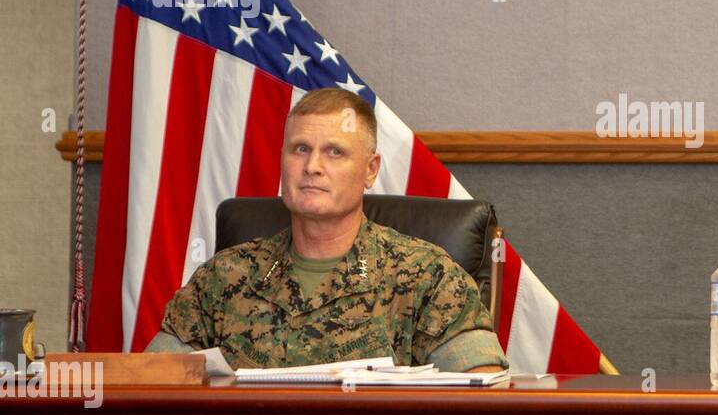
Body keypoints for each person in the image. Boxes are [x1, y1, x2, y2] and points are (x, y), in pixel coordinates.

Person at [146, 88, 508, 373]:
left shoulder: (427, 276)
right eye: (300, 149)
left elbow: (482, 390)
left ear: (370, 169)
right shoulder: (222, 279)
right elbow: (151, 381)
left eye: (334, 152)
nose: (312, 166)